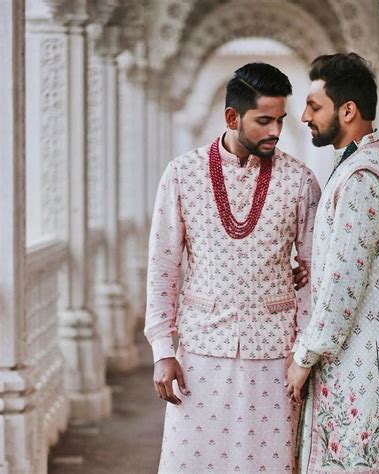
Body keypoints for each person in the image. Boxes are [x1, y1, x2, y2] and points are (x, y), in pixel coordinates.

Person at [145, 62, 321, 473]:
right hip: (200, 353)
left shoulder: (300, 181)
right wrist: (162, 349)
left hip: (276, 355)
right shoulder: (182, 175)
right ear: (232, 117)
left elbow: (317, 273)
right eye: (263, 121)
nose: (275, 131)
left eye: (280, 120)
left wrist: (305, 352)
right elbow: (162, 269)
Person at [286, 53, 379, 473]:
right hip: (370, 349)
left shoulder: (361, 178)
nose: (304, 116)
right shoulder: (371, 163)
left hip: (364, 361)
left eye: (314, 106)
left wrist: (304, 358)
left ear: (347, 110)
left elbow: (342, 285)